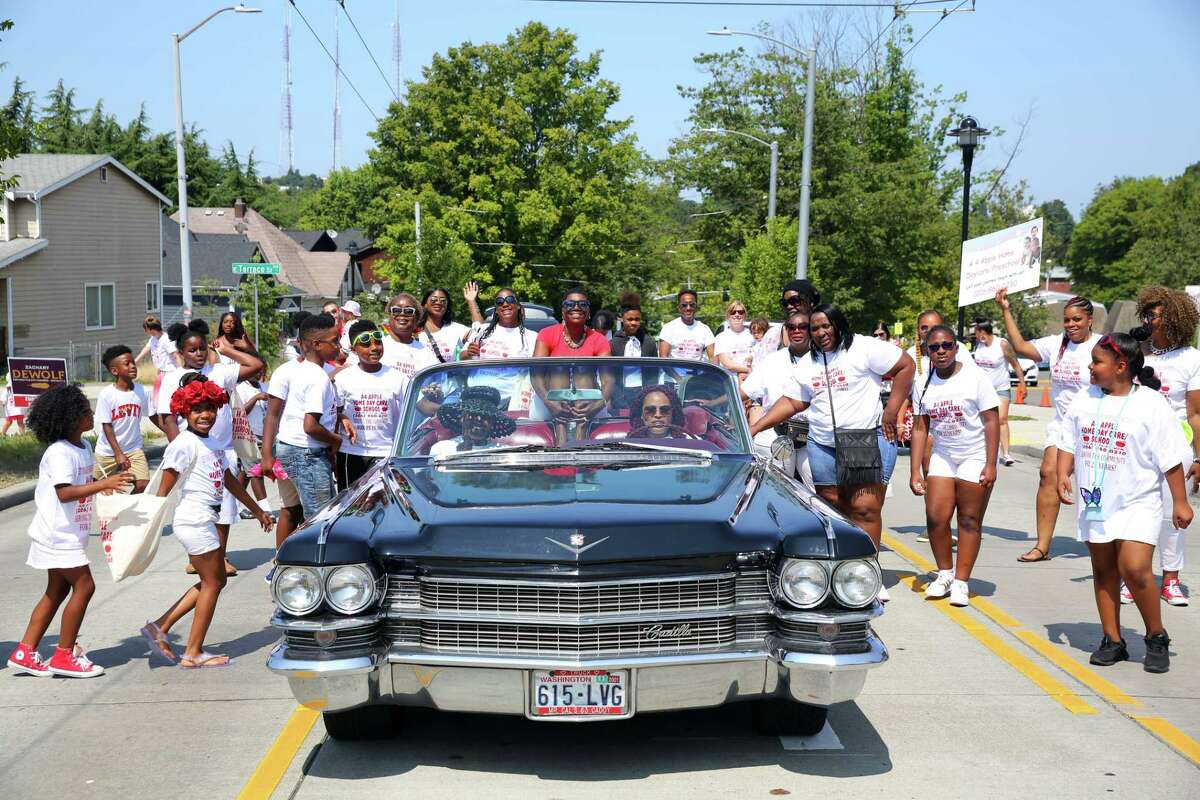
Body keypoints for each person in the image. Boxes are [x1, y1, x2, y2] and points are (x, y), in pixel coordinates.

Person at [750, 304, 915, 602]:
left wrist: (892, 410)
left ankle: (868, 570)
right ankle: (840, 572)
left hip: (861, 438)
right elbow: (793, 402)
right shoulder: (807, 365)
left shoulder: (864, 348)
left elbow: (906, 366)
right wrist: (756, 427)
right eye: (815, 328)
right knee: (833, 510)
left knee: (863, 509)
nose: (821, 332)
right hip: (823, 442)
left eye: (826, 326)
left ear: (838, 325)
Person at [1057, 333, 1191, 674]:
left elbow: (1171, 457)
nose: (1090, 366)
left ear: (1120, 366)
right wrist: (1062, 473)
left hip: (1138, 501)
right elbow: (1067, 440)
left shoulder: (1150, 403)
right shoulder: (1084, 399)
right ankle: (1112, 640)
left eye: (1097, 361)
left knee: (1134, 568)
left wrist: (1180, 501)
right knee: (1104, 571)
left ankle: (1156, 636)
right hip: (1096, 500)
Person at [143, 375, 272, 668]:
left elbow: (229, 481)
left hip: (206, 519)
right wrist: (150, 523)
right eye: (197, 409)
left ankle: (160, 626)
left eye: (210, 408)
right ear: (184, 411)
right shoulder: (183, 444)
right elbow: (164, 488)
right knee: (214, 582)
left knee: (214, 580)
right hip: (193, 521)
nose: (205, 415)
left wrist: (259, 509)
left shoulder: (213, 442)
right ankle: (193, 651)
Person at [5, 384, 132, 677]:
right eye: (86, 411)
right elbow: (64, 492)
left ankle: (25, 651)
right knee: (85, 586)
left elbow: (81, 488)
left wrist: (104, 488)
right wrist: (103, 485)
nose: (91, 414)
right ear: (70, 418)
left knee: (56, 590)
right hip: (56, 533)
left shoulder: (83, 447)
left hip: (69, 531)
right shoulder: (59, 452)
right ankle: (64, 655)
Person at [997, 289, 1102, 563]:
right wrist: (1005, 309)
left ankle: (1105, 547)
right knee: (1048, 474)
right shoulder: (1057, 344)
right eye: (1067, 320)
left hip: (1095, 427)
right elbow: (1020, 347)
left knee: (1094, 484)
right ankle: (1042, 546)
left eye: (1077, 319)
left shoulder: (1103, 346)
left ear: (1090, 319)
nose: (1071, 325)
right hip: (1063, 424)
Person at [158, 319, 263, 577]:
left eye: (202, 348)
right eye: (191, 350)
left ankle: (220, 554)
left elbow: (256, 365)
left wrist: (226, 351)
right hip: (193, 454)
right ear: (181, 353)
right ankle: (198, 555)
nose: (198, 354)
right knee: (199, 503)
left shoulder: (220, 372)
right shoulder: (172, 378)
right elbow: (167, 418)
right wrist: (180, 447)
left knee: (225, 506)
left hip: (222, 448)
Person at [909, 325, 1000, 607]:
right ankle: (945, 574)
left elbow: (991, 420)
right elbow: (921, 428)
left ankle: (961, 581)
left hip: (974, 455)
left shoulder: (975, 378)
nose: (941, 351)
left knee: (969, 520)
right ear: (927, 351)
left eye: (946, 345)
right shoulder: (923, 381)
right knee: (936, 517)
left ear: (956, 347)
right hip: (944, 455)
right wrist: (914, 470)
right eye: (934, 347)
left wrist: (990, 463)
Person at [1131, 286, 1200, 606]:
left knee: (1173, 513)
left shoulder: (1191, 358)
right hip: (1133, 445)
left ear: (1175, 320)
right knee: (1133, 512)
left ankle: (1170, 579)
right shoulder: (1134, 352)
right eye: (1149, 315)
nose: (1152, 321)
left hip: (1174, 446)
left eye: (1159, 316)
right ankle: (1132, 577)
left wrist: (1199, 456)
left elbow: (1195, 413)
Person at [263, 313, 341, 526]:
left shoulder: (309, 372)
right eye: (334, 341)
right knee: (320, 521)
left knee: (306, 514)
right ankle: (312, 559)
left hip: (293, 449)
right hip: (307, 454)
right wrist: (335, 440)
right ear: (316, 344)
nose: (339, 346)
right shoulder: (318, 377)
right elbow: (310, 426)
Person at [740, 310, 814, 489]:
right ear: (785, 331)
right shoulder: (772, 360)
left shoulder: (823, 359)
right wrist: (713, 401)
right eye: (791, 327)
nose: (797, 331)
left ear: (811, 330)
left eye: (803, 327)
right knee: (776, 490)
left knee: (823, 495)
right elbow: (743, 392)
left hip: (813, 437)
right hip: (776, 434)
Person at [532, 289, 613, 443]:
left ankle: (581, 429)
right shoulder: (546, 334)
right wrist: (549, 402)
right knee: (559, 368)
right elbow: (536, 374)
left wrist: (597, 405)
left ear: (588, 313)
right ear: (563, 312)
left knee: (582, 369)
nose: (576, 307)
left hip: (591, 405)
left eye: (582, 304)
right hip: (548, 400)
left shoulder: (599, 339)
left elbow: (609, 380)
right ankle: (560, 426)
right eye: (569, 304)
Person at [335, 320, 410, 486]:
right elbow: (332, 414)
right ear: (353, 349)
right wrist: (341, 417)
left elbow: (412, 414)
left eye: (378, 342)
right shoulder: (343, 379)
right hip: (351, 452)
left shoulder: (399, 378)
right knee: (352, 506)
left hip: (387, 453)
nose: (374, 348)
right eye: (366, 344)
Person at [94, 345, 158, 494]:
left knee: (142, 484)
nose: (132, 366)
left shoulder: (142, 391)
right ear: (114, 371)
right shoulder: (107, 395)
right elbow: (107, 426)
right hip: (107, 451)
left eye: (133, 362)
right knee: (94, 485)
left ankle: (125, 510)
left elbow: (153, 416)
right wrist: (118, 454)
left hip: (133, 449)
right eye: (127, 364)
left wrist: (171, 433)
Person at [461, 287, 537, 407]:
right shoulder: (482, 330)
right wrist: (468, 352)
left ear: (518, 306)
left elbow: (537, 373)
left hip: (510, 405)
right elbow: (461, 357)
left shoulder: (532, 337)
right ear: (496, 310)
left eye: (510, 299)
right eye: (500, 302)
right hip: (474, 399)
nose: (505, 304)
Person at [971, 318, 1027, 466]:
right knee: (983, 421)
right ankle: (983, 450)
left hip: (1001, 388)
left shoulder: (1002, 344)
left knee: (1001, 419)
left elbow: (1015, 364)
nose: (976, 337)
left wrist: (1022, 384)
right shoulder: (979, 345)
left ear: (983, 333)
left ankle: (1006, 454)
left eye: (977, 333)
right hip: (983, 390)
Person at [430, 385, 517, 456]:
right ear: (462, 418)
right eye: (473, 414)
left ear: (492, 422)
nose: (479, 419)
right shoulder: (441, 449)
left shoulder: (503, 454)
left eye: (485, 416)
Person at [234, 367, 273, 521]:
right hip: (247, 435)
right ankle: (265, 508)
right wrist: (256, 398)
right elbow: (240, 412)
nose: (259, 374)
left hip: (264, 435)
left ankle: (232, 504)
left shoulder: (265, 386)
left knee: (247, 472)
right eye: (255, 371)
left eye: (261, 370)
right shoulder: (241, 389)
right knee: (256, 471)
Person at [610, 292, 659, 409]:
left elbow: (654, 374)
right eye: (630, 319)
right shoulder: (613, 344)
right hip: (619, 396)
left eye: (637, 319)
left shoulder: (649, 343)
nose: (633, 323)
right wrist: (617, 399)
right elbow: (611, 375)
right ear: (622, 318)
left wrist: (649, 396)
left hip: (644, 395)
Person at [381, 293, 441, 379]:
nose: (402, 314)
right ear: (389, 315)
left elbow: (436, 380)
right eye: (396, 310)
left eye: (409, 311)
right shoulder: (378, 345)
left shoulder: (425, 352)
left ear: (417, 318)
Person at [134, 315, 178, 417]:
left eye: (146, 329)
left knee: (167, 402)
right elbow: (145, 351)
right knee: (156, 402)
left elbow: (176, 356)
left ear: (150, 330)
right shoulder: (153, 339)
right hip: (161, 373)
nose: (146, 332)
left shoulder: (166, 339)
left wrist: (182, 373)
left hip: (170, 373)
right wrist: (135, 361)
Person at [659, 289, 715, 361]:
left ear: (696, 307)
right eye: (684, 305)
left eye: (692, 305)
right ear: (679, 308)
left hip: (697, 371)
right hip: (673, 371)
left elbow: (713, 359)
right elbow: (663, 359)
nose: (688, 308)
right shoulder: (668, 328)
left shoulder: (705, 329)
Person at [420, 287, 472, 362]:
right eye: (434, 299)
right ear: (425, 304)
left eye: (443, 301)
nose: (438, 302)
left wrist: (471, 301)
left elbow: (479, 331)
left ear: (447, 306)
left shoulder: (455, 329)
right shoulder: (415, 328)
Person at [714, 300, 755, 381]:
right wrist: (748, 370)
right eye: (733, 312)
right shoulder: (721, 337)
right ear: (728, 316)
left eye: (740, 312)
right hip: (731, 383)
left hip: (752, 382)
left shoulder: (753, 335)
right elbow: (727, 364)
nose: (737, 314)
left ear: (745, 315)